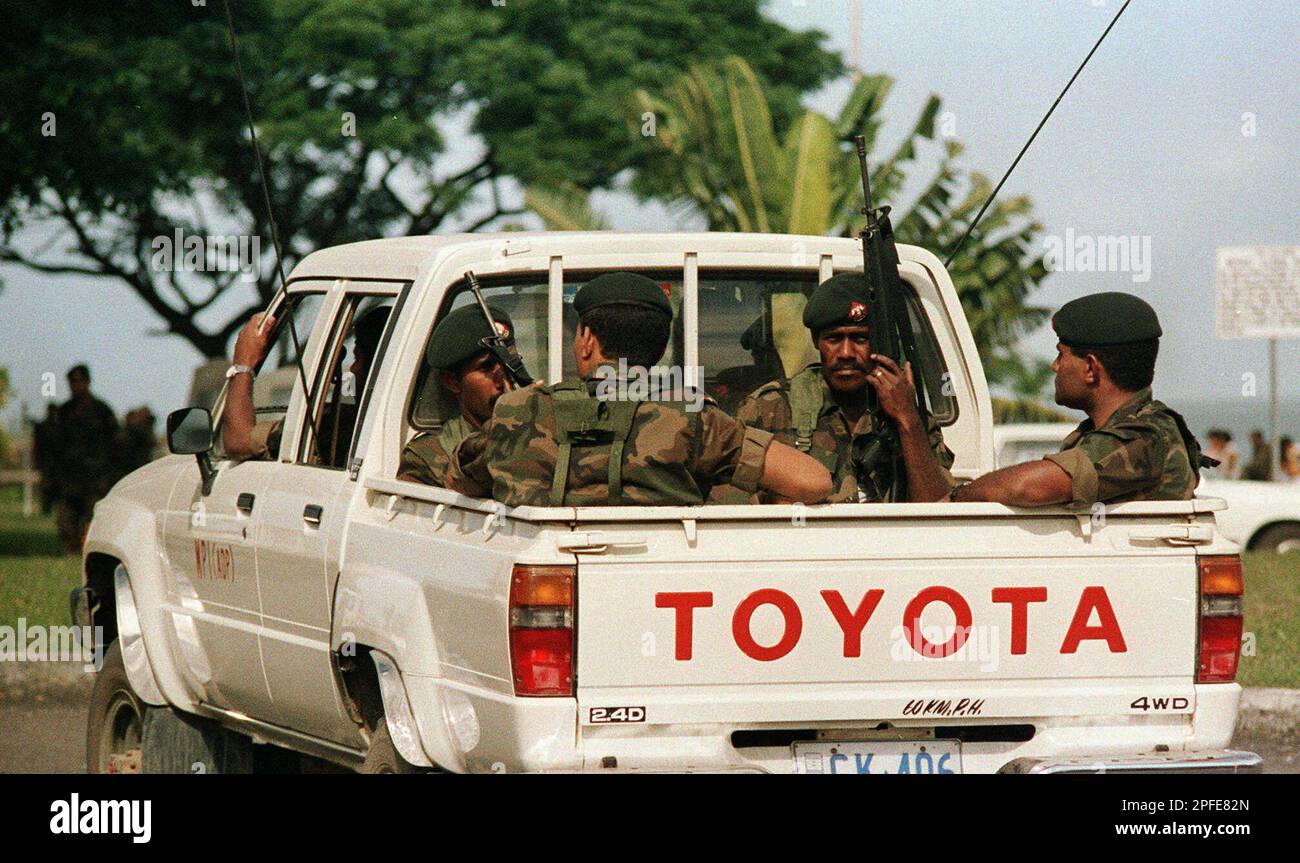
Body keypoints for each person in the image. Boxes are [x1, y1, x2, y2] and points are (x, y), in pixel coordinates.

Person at [445, 272, 832, 506]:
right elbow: (813, 482)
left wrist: (522, 407)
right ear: (659, 350)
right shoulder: (692, 416)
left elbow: (457, 482)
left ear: (586, 340)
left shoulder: (518, 411)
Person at [951, 292, 1207, 507]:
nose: (1055, 366)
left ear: (1090, 368)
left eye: (1061, 355)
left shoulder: (1144, 437)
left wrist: (956, 497)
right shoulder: (1109, 432)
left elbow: (1025, 487)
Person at [727, 272, 955, 503]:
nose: (846, 353)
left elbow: (939, 510)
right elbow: (732, 509)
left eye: (860, 339)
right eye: (834, 339)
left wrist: (907, 421)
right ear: (816, 340)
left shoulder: (909, 416)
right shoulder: (769, 410)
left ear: (878, 341)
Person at [223, 306, 389, 462]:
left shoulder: (336, 428)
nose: (352, 369)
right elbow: (348, 400)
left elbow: (238, 441)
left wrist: (243, 364)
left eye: (356, 358)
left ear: (375, 368)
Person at [398, 305, 516, 486]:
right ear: (452, 381)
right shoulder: (428, 458)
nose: (503, 380)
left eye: (510, 363)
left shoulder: (541, 433)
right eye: (486, 368)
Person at [53, 364, 118, 552]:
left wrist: (108, 474)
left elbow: (115, 444)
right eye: (72, 382)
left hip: (95, 478)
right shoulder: (65, 411)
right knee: (66, 520)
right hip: (69, 477)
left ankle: (89, 551)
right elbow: (56, 444)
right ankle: (70, 550)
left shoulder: (102, 411)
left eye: (79, 381)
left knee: (93, 520)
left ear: (88, 382)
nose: (75, 386)